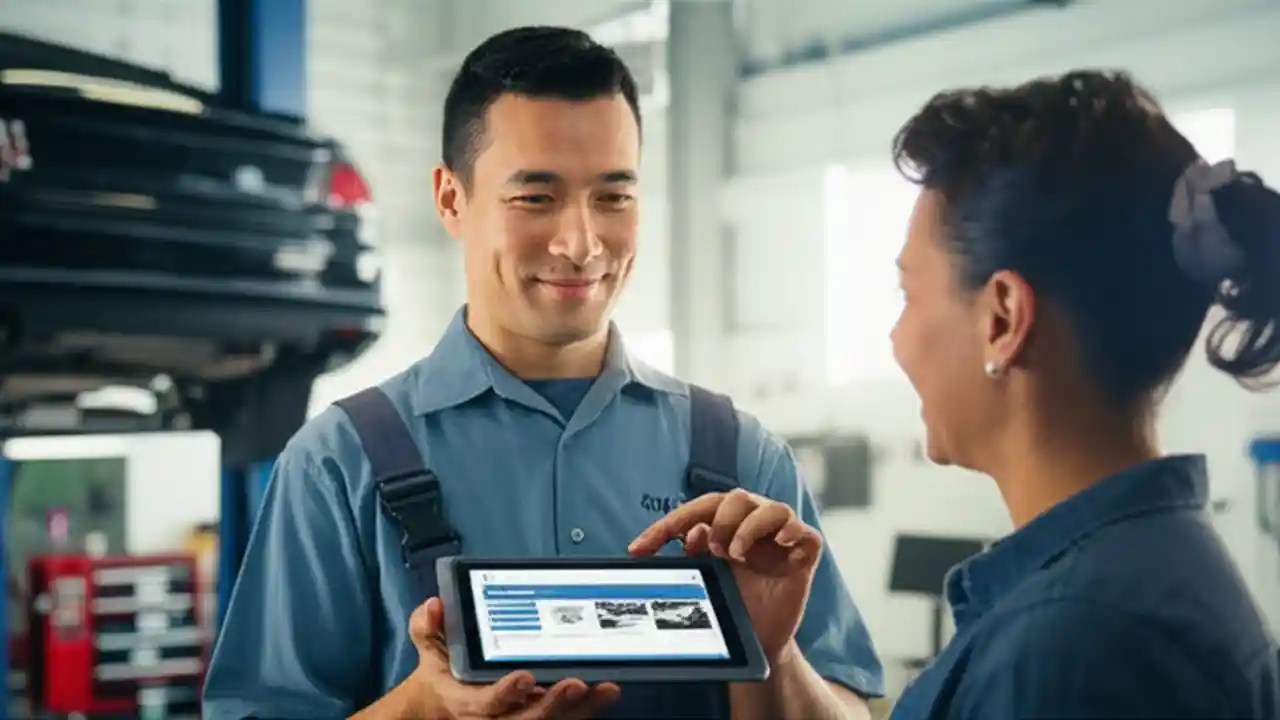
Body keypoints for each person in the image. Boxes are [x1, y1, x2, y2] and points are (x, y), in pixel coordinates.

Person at [202, 26, 883, 720]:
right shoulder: (337, 465)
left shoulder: (741, 458)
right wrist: (422, 709)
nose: (581, 243)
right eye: (536, 197)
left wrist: (773, 655)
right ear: (449, 199)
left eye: (613, 197)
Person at [881, 69, 1280, 719]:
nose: (897, 339)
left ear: (1002, 318)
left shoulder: (1070, 645)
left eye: (909, 295)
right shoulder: (1137, 581)